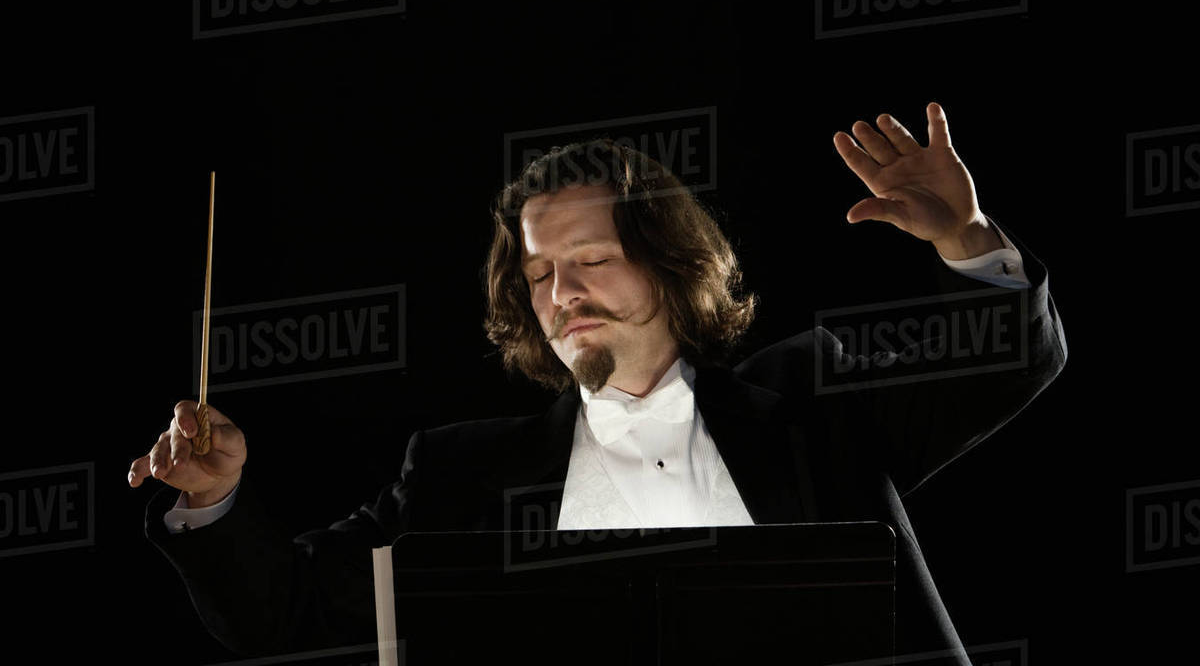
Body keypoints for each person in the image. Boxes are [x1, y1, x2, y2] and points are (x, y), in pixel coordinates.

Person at [129, 103, 1066, 662]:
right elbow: (285, 612)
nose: (562, 294)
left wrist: (964, 238)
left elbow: (1004, 366)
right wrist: (214, 501)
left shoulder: (814, 405)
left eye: (592, 260)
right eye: (539, 273)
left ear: (667, 262)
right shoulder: (457, 474)